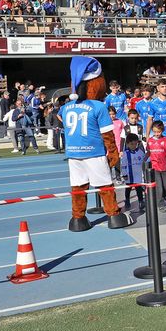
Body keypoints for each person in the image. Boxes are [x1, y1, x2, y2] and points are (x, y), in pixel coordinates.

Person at [60, 55, 131, 231]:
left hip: (73, 153)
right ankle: (114, 215)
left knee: (78, 187)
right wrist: (113, 152)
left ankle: (78, 219)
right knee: (105, 186)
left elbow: (60, 117)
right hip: (94, 152)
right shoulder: (99, 106)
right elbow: (107, 134)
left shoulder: (67, 106)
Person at [147, 120, 166, 212]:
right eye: (155, 132)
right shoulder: (150, 141)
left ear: (162, 130)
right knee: (159, 187)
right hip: (155, 167)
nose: (157, 133)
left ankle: (163, 196)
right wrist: (144, 161)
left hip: (164, 167)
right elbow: (147, 153)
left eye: (158, 132)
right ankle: (160, 203)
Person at [121, 134, 147, 212]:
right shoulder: (126, 153)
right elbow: (123, 165)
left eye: (135, 144)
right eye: (132, 144)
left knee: (138, 189)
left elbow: (145, 159)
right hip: (129, 175)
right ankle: (127, 200)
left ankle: (141, 201)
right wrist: (124, 174)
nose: (134, 146)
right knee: (128, 189)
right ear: (127, 144)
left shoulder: (140, 152)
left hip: (138, 175)